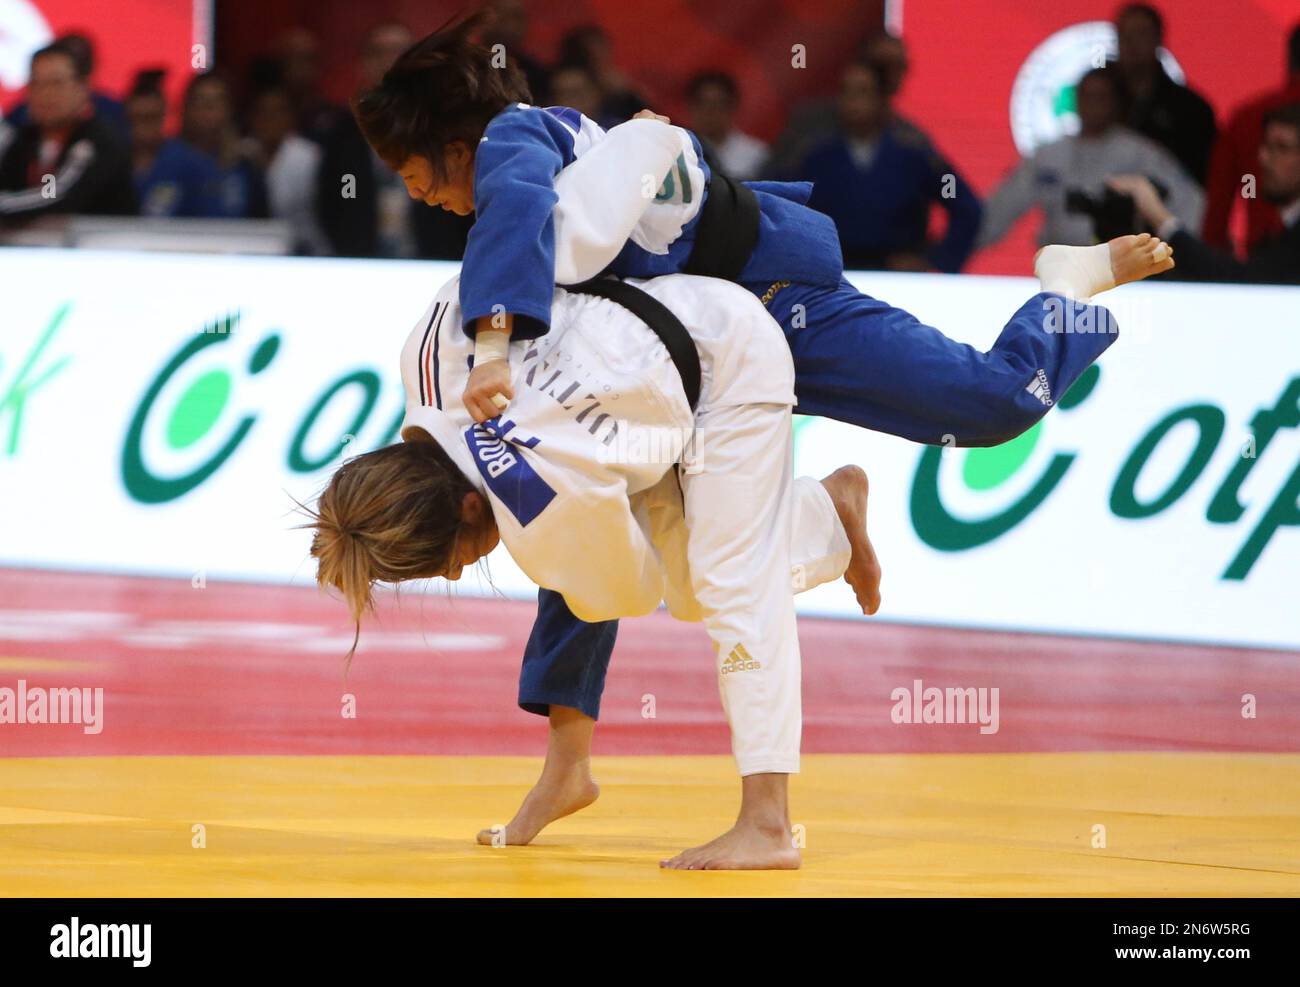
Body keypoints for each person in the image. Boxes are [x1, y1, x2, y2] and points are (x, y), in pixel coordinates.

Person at [351, 16, 1176, 845]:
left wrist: (493, 345)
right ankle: (570, 761)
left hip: (773, 297)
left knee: (991, 405)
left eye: (413, 173)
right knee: (561, 497)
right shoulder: (519, 197)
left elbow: (518, 203)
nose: (419, 195)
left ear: (455, 144)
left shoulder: (512, 144)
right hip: (682, 352)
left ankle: (1066, 292)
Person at [308, 269, 881, 869]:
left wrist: (583, 504)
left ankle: (769, 826)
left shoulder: (538, 510)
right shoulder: (429, 354)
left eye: (446, 560)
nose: (455, 576)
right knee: (666, 569)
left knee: (720, 585)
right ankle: (823, 516)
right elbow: (496, 264)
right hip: (664, 306)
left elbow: (631, 592)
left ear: (470, 505)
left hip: (722, 365)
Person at [979, 67, 1203, 251]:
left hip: (1120, 268)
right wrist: (961, 239)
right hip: (1060, 268)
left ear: (1117, 103)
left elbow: (1189, 201)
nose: (1093, 104)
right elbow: (1003, 207)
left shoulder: (1140, 153)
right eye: (1086, 95)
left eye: (1101, 97)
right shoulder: (1049, 155)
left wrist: (1187, 250)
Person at [799, 59, 981, 272]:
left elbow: (966, 209)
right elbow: (784, 209)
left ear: (882, 98)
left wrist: (938, 261)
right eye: (846, 92)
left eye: (863, 92)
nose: (853, 102)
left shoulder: (914, 156)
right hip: (837, 273)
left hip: (898, 275)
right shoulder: (817, 158)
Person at [1109, 103, 1300, 284]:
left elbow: (1243, 280)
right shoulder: (1280, 228)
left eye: (1281, 148)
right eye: (1266, 146)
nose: (1263, 158)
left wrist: (1159, 217)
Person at [0, 40, 135, 221]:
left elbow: (56, 195)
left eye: (56, 83)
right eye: (37, 83)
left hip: (103, 246)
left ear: (84, 87)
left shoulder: (99, 142)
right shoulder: (17, 138)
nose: (46, 93)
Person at [1202, 22, 1300, 255]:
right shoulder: (1248, 118)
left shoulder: (1247, 117)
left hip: (1260, 256)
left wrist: (1213, 270)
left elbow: (1218, 208)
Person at [1110, 3, 1217, 184]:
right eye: (1124, 35)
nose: (1131, 44)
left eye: (1141, 34)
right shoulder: (1100, 102)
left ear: (1159, 39)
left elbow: (1205, 176)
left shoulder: (1190, 108)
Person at [245, 86, 330, 254]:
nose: (270, 119)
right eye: (263, 112)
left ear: (291, 117)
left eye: (278, 112)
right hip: (254, 248)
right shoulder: (242, 153)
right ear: (253, 117)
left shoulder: (310, 156)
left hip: (306, 248)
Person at [125, 71, 220, 218]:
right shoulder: (113, 163)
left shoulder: (192, 165)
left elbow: (209, 223)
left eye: (150, 118)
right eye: (136, 119)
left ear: (164, 115)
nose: (143, 128)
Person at [180, 72, 268, 219]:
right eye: (200, 101)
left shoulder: (245, 164)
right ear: (187, 109)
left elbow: (261, 224)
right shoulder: (168, 160)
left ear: (229, 109)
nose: (208, 108)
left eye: (216, 101)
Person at [685, 71, 767, 179]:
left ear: (732, 107)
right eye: (703, 105)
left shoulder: (756, 155)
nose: (709, 113)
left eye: (716, 105)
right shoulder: (681, 152)